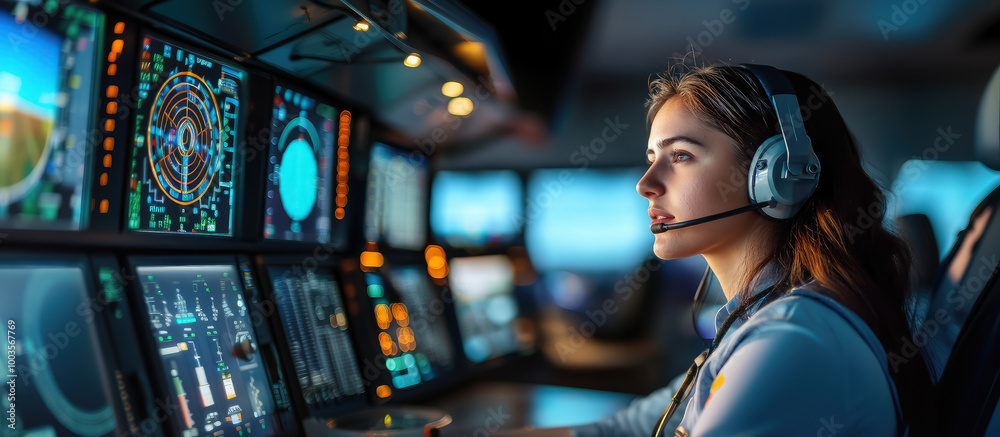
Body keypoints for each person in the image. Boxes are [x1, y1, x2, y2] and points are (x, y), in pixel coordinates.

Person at [573, 63, 933, 436]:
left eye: (680, 156)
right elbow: (621, 429)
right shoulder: (750, 321)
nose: (645, 184)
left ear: (778, 175)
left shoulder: (791, 339)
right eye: (652, 159)